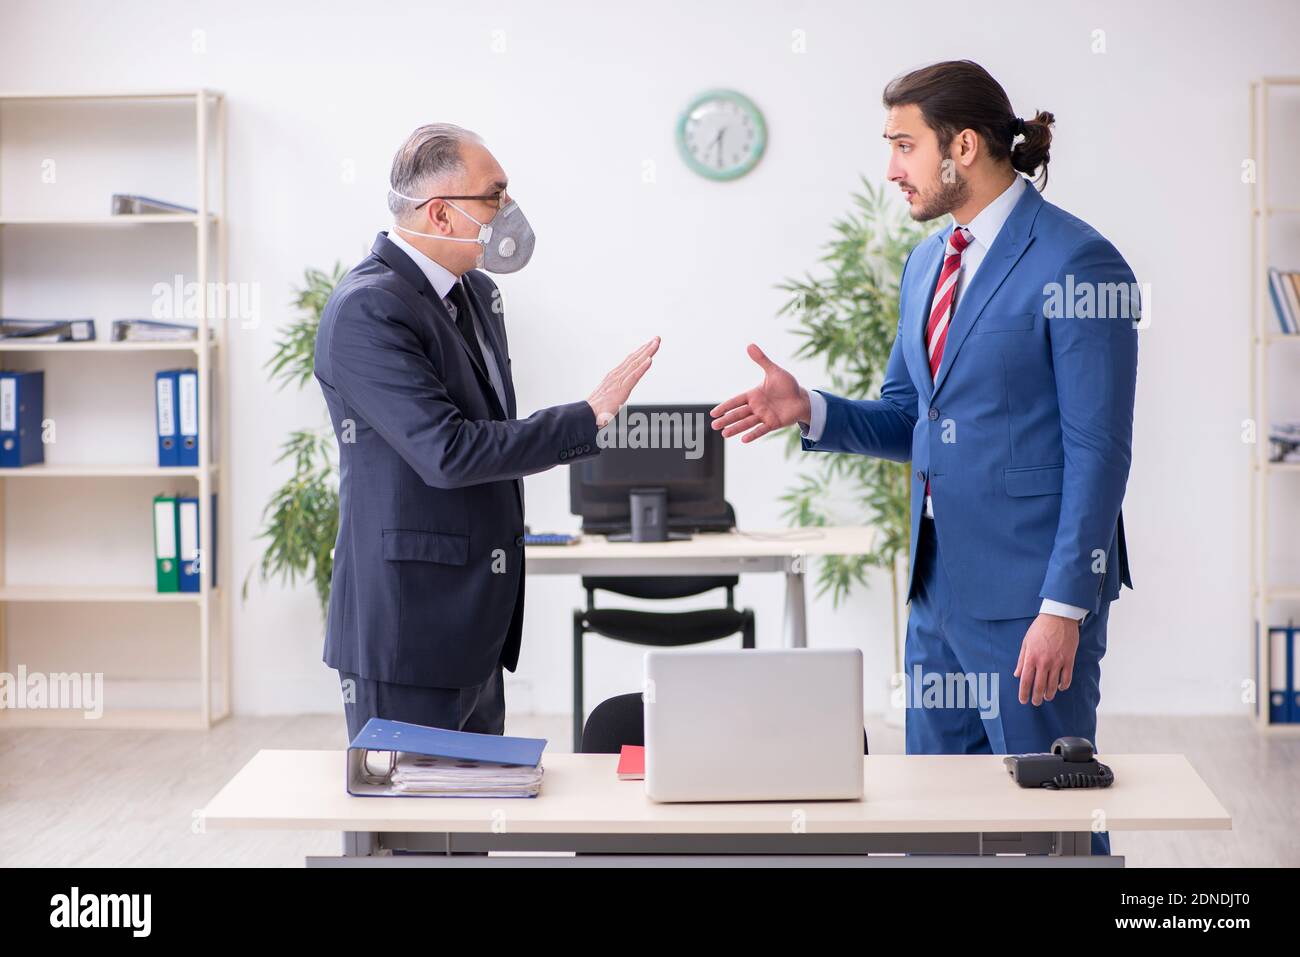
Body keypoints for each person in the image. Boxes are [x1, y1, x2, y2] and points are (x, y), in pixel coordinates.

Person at [710, 61, 1136, 857]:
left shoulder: (1079, 262)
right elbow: (913, 417)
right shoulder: (927, 263)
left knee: (1047, 828)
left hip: (1030, 603)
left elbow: (1100, 452)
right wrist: (812, 409)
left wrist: (1064, 607)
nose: (891, 168)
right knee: (936, 826)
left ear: (962, 146)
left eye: (903, 146)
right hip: (935, 592)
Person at [314, 123, 659, 740]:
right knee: (413, 829)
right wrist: (588, 415)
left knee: (473, 826)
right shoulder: (368, 309)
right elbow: (447, 452)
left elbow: (488, 432)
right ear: (441, 214)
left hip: (475, 625)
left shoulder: (476, 294)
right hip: (408, 629)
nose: (508, 212)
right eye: (495, 195)